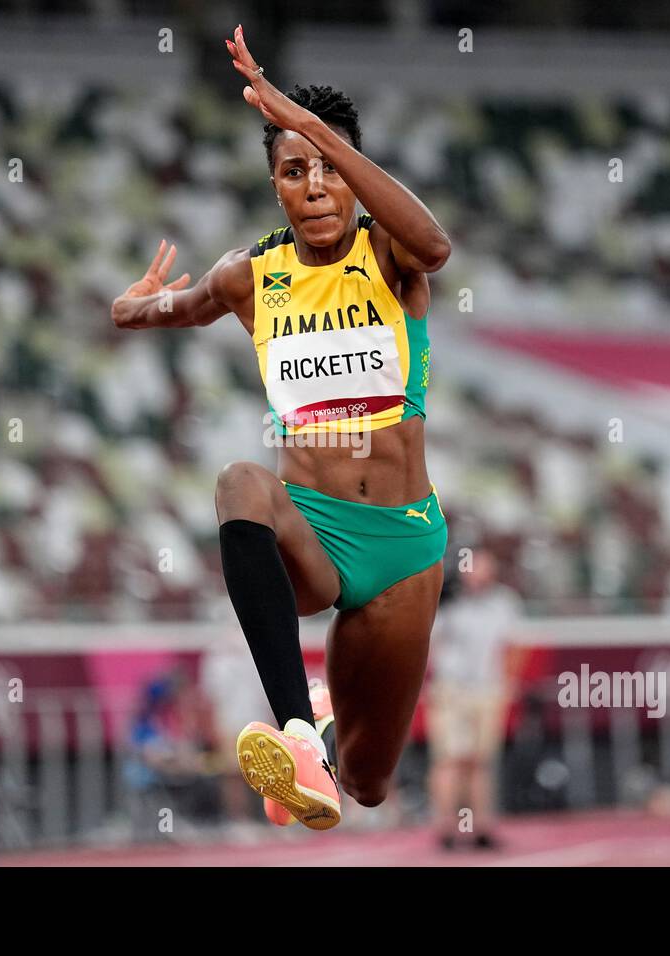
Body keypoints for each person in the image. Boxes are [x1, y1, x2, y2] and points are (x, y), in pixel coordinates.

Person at [110, 24, 451, 830]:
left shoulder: (390, 255)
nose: (316, 186)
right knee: (239, 483)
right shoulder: (251, 275)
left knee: (366, 784)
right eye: (295, 171)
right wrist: (131, 310)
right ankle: (299, 729)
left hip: (403, 546)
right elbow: (178, 309)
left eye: (330, 168)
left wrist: (315, 127)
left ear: (353, 177)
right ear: (276, 187)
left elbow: (437, 246)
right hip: (314, 533)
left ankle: (326, 729)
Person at [427, 548, 521, 849]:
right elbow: (431, 644)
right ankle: (446, 828)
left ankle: (481, 826)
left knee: (480, 761)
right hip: (452, 690)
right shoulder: (448, 602)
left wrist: (507, 681)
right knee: (450, 760)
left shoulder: (502, 602)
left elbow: (513, 644)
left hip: (486, 688)